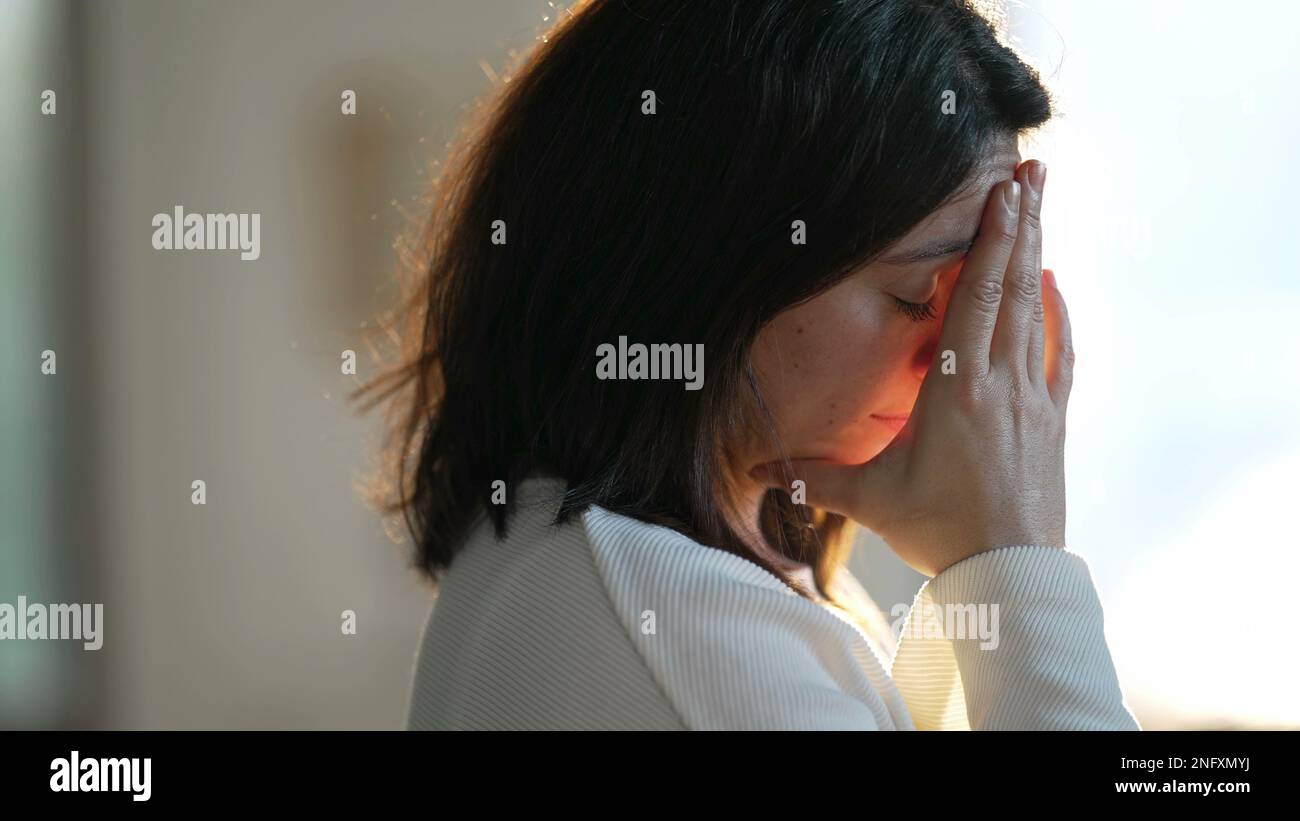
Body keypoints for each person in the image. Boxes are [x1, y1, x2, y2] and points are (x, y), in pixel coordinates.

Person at [353, 0, 1141, 730]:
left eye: (977, 288)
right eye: (913, 293)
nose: (961, 355)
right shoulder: (681, 630)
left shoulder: (585, 558)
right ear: (702, 268)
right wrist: (1013, 556)